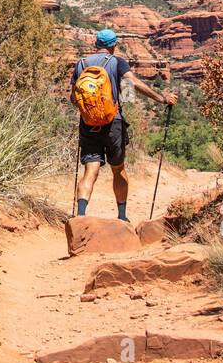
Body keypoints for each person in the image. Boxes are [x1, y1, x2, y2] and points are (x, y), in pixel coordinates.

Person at [70, 28, 176, 222]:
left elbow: (73, 98)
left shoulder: (81, 64)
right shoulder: (117, 62)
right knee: (118, 169)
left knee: (90, 170)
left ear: (96, 45)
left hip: (88, 125)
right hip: (113, 123)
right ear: (113, 46)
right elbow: (133, 85)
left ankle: (81, 216)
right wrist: (161, 99)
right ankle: (122, 217)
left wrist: (90, 111)